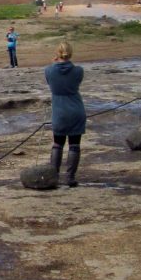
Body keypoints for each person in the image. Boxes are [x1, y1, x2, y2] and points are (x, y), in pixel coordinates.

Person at [45, 41, 86, 187]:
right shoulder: (78, 71)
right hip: (76, 110)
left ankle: (54, 176)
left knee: (57, 144)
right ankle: (70, 177)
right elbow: (76, 81)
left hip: (59, 111)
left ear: (57, 53)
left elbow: (50, 81)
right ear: (71, 53)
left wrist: (53, 64)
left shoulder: (49, 70)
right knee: (74, 145)